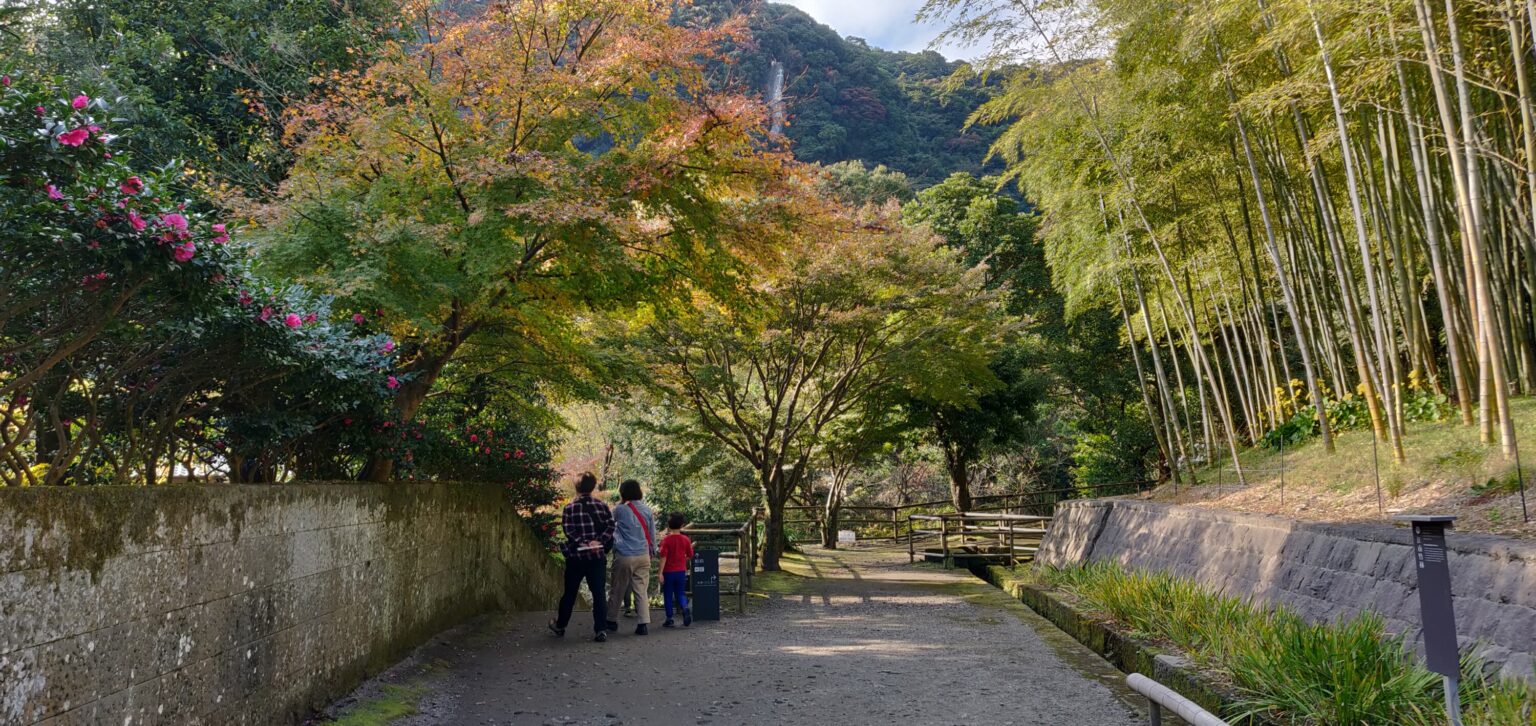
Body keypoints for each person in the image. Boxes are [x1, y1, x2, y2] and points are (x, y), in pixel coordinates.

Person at [549, 472, 614, 642]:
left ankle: (561, 625)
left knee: (570, 592)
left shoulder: (570, 508)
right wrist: (597, 541)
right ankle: (601, 629)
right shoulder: (602, 506)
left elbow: (568, 530)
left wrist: (583, 542)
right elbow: (610, 526)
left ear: (576, 487)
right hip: (597, 555)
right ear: (593, 487)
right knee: (598, 593)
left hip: (576, 557)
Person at [604, 479, 657, 636]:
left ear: (623, 492)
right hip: (643, 555)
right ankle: (643, 624)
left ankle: (611, 621)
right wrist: (652, 551)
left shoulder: (619, 510)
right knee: (641, 589)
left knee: (618, 587)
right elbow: (652, 534)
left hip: (624, 554)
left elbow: (607, 525)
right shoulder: (647, 510)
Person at [656, 512, 694, 628]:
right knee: (680, 593)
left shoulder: (666, 540)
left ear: (668, 525)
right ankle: (685, 607)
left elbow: (663, 557)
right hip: (681, 571)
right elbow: (690, 554)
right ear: (682, 525)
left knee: (667, 595)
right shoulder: (686, 539)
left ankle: (669, 618)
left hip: (668, 572)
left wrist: (660, 572)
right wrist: (683, 558)